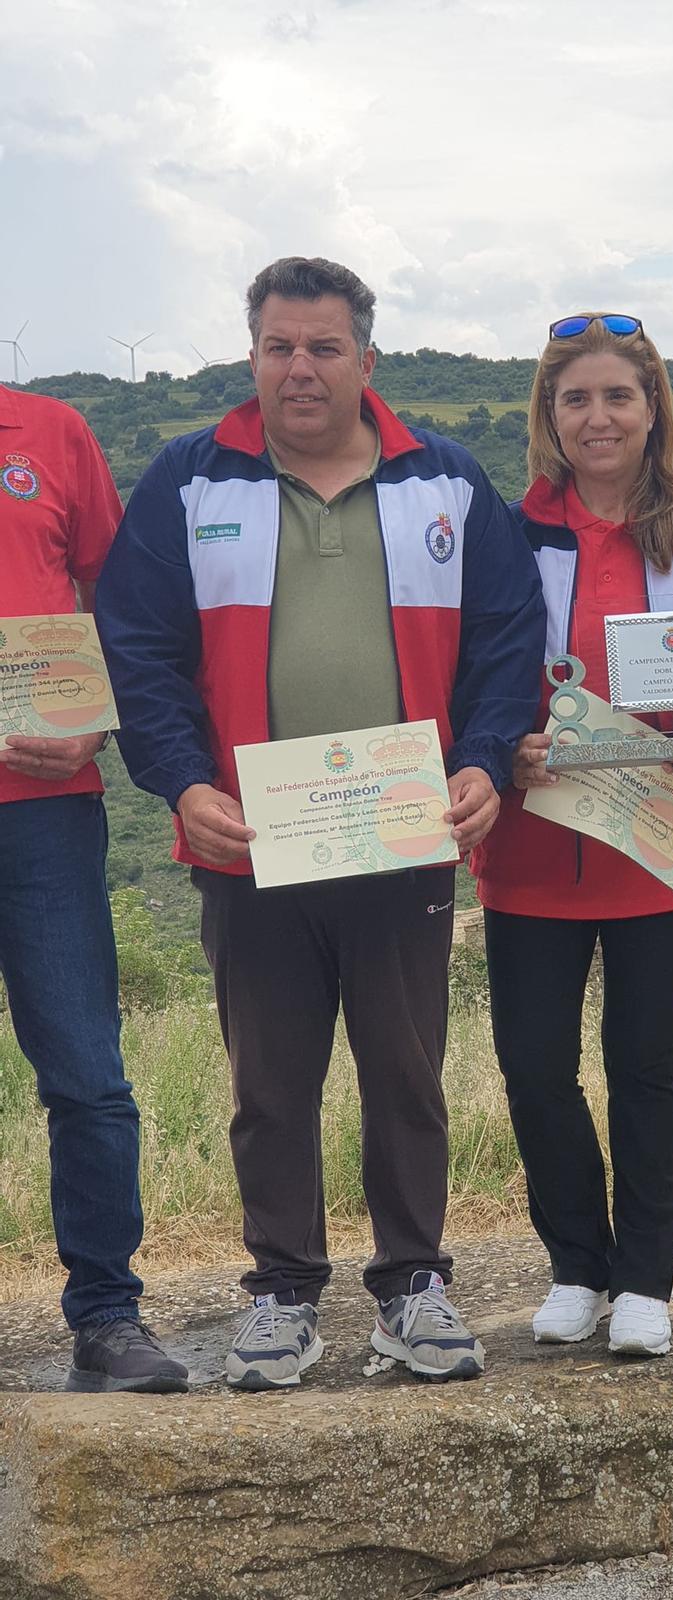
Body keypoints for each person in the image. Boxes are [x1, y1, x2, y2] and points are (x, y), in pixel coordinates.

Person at [96, 257, 545, 1389]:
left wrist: (486, 759)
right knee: (270, 1084)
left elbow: (504, 639)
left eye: (323, 347)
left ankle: (412, 1285)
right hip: (250, 838)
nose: (300, 369)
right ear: (252, 356)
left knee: (406, 1069)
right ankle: (283, 1293)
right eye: (279, 347)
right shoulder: (187, 483)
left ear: (366, 360)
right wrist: (182, 781)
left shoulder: (444, 480)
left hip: (402, 833)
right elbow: (138, 649)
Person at [472, 313, 673, 1357]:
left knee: (645, 1059)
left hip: (658, 834)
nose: (598, 416)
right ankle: (575, 1264)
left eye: (618, 397)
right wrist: (507, 744)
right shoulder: (507, 532)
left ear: (652, 409)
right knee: (534, 1063)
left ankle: (644, 1277)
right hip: (538, 837)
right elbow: (482, 672)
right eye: (576, 398)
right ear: (550, 415)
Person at [0, 383, 188, 1393]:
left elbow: (122, 605)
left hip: (42, 809)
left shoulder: (52, 431)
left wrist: (96, 717)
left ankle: (108, 1319)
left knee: (86, 1073)